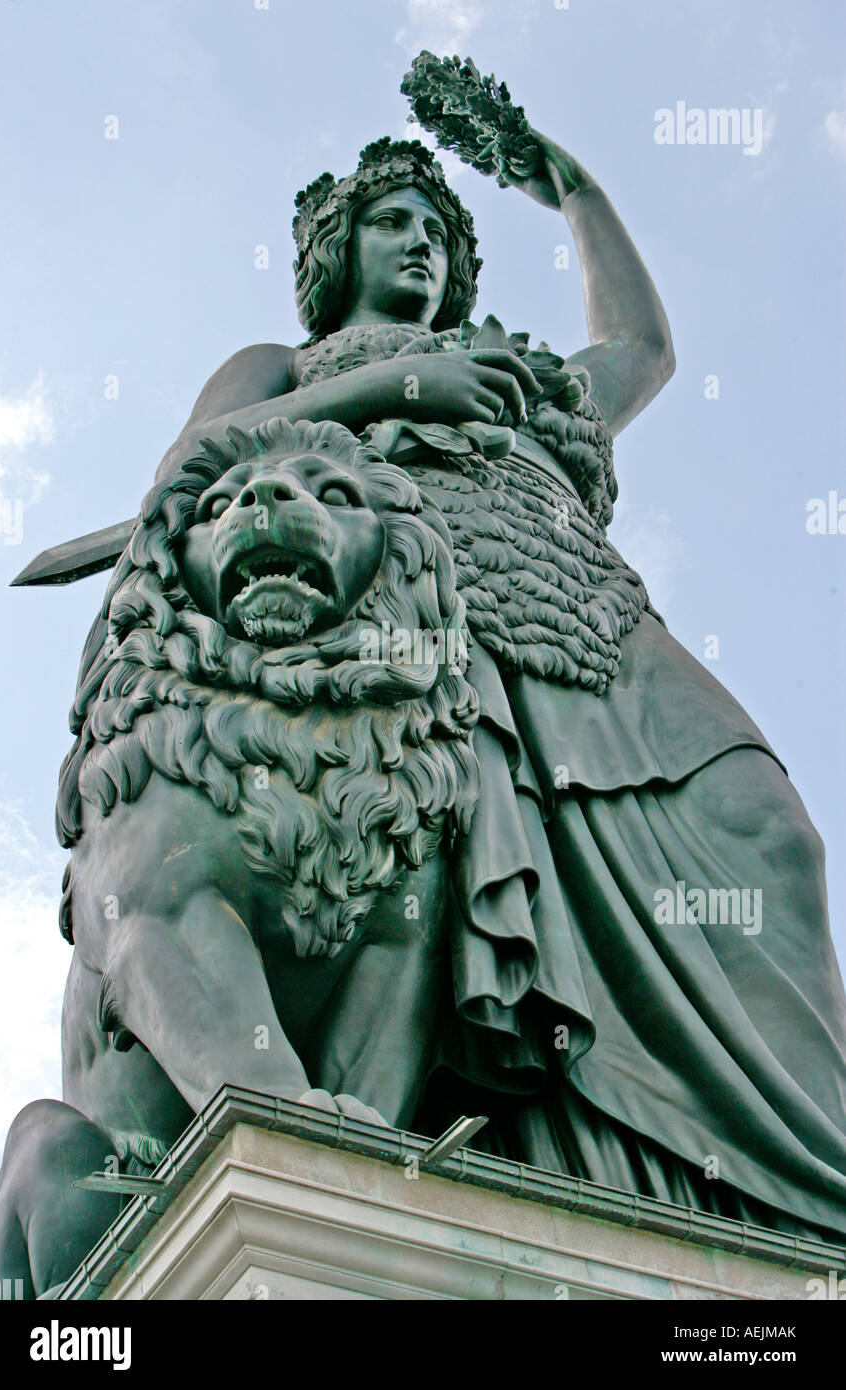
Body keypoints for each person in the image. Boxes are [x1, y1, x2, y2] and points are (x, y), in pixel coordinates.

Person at [148, 132, 846, 1241]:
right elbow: (195, 459)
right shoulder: (289, 363)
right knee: (434, 878)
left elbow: (639, 348)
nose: (418, 243)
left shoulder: (519, 384)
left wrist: (572, 186)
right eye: (391, 221)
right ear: (337, 249)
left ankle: (790, 1199)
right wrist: (404, 383)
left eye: (434, 229)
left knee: (768, 833)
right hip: (428, 633)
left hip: (599, 628)